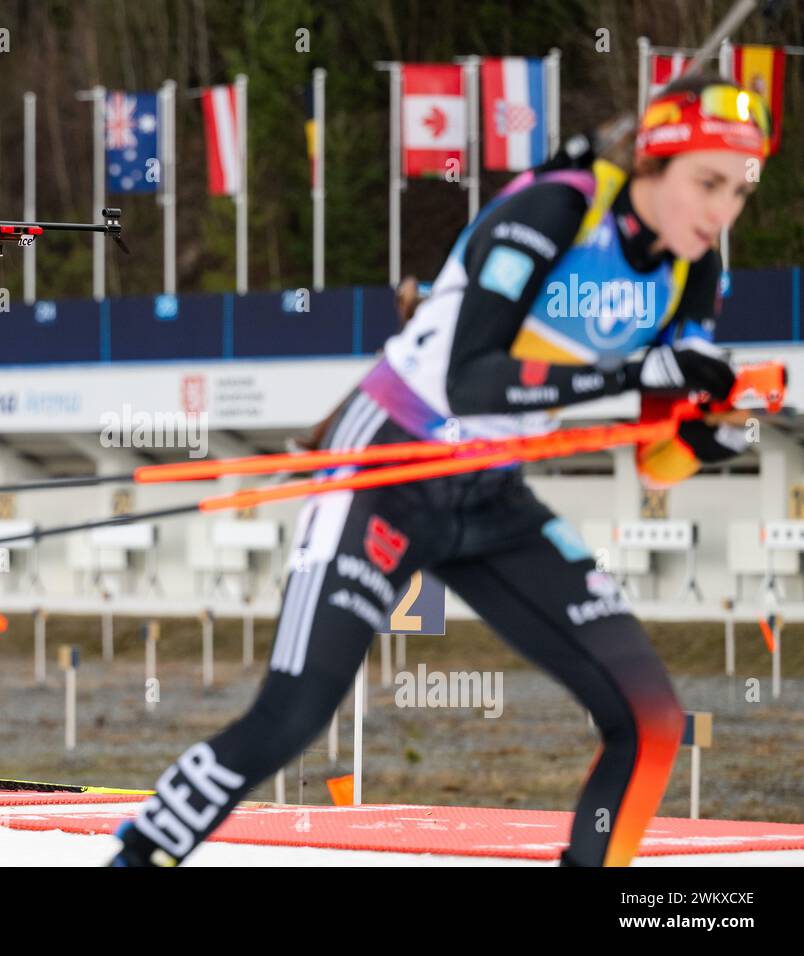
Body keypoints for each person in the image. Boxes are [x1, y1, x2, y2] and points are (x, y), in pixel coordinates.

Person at [111, 75, 771, 866]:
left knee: (651, 717)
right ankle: (142, 851)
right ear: (653, 166)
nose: (721, 212)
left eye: (739, 190)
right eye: (706, 182)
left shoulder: (692, 273)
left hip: (491, 486)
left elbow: (655, 462)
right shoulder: (559, 208)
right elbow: (472, 380)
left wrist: (712, 438)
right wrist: (638, 376)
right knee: (291, 716)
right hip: (388, 461)